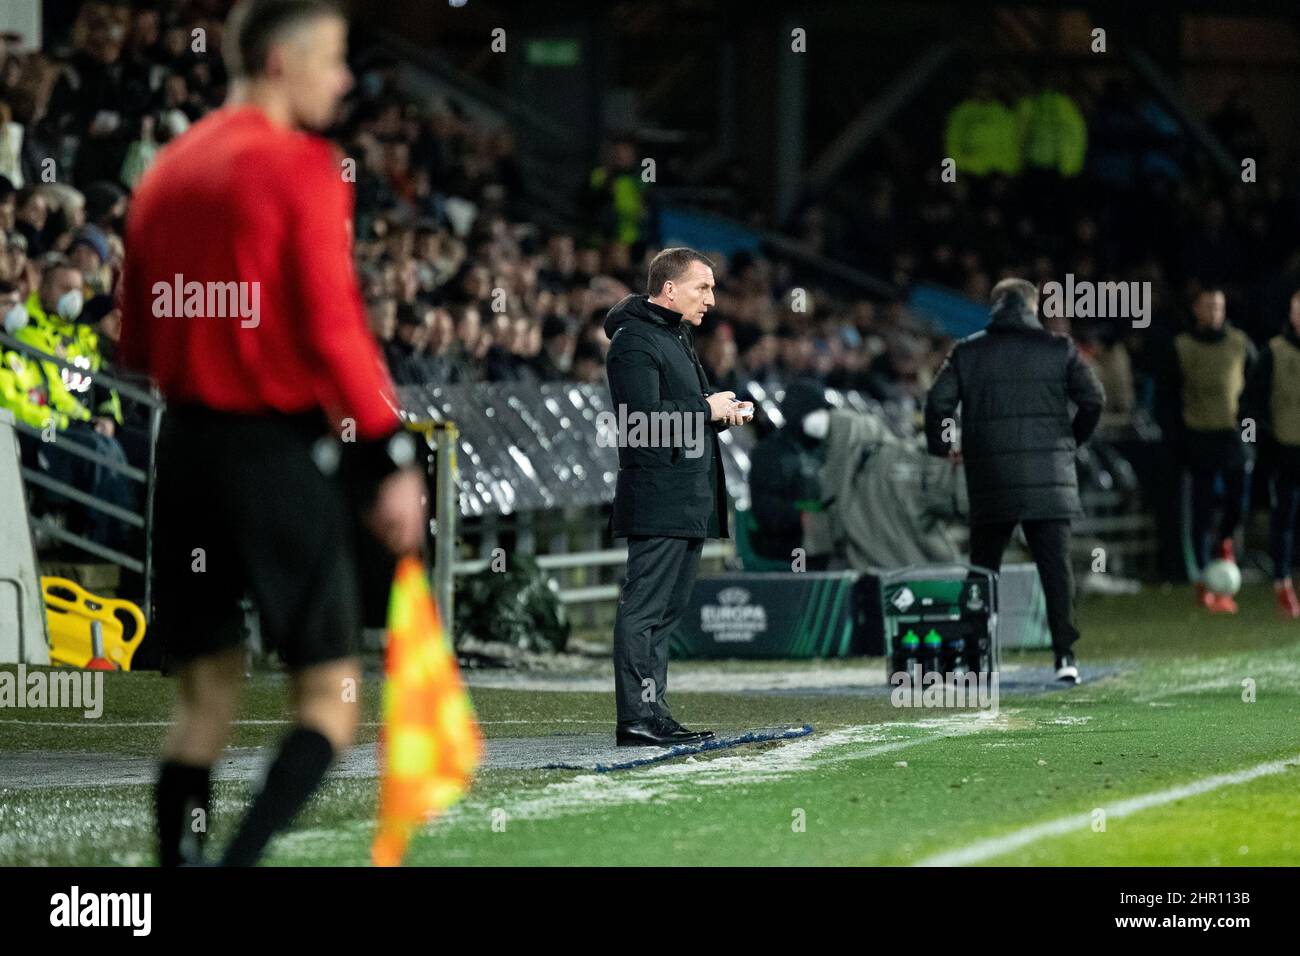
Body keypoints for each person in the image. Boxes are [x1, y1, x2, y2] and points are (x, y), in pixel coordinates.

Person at [119, 0, 425, 867]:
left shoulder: (167, 170)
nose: (344, 79)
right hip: (275, 456)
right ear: (283, 62)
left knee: (203, 702)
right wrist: (391, 453)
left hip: (182, 455)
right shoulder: (300, 165)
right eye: (332, 60)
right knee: (329, 698)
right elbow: (334, 329)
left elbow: (137, 342)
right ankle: (241, 862)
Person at [924, 278, 1104, 684]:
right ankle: (1065, 657)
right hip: (1050, 479)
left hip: (991, 476)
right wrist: (1070, 441)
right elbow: (1094, 400)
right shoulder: (1059, 348)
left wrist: (943, 447)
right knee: (1055, 569)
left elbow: (937, 403)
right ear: (1032, 304)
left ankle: (973, 654)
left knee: (983, 568)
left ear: (995, 306)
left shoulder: (967, 352)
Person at [603, 247, 749, 746]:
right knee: (645, 609)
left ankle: (653, 711)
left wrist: (719, 416)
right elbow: (641, 422)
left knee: (665, 612)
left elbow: (680, 419)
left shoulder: (674, 337)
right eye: (702, 287)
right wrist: (705, 408)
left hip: (686, 496)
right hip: (659, 495)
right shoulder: (633, 341)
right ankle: (636, 717)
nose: (711, 299)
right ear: (670, 289)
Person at [1158, 287, 1256, 613]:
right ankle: (1203, 582)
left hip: (1232, 438)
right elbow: (1168, 398)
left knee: (1237, 505)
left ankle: (1224, 546)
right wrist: (1178, 440)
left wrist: (1249, 431)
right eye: (1208, 306)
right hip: (1198, 438)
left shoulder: (1240, 343)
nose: (1215, 312)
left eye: (1219, 306)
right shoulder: (1182, 347)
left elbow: (1256, 392)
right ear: (1197, 309)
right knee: (1199, 513)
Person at [1244, 289, 1300, 618]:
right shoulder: (1273, 352)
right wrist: (1260, 442)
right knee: (1285, 517)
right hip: (1286, 452)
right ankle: (1282, 583)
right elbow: (1250, 404)